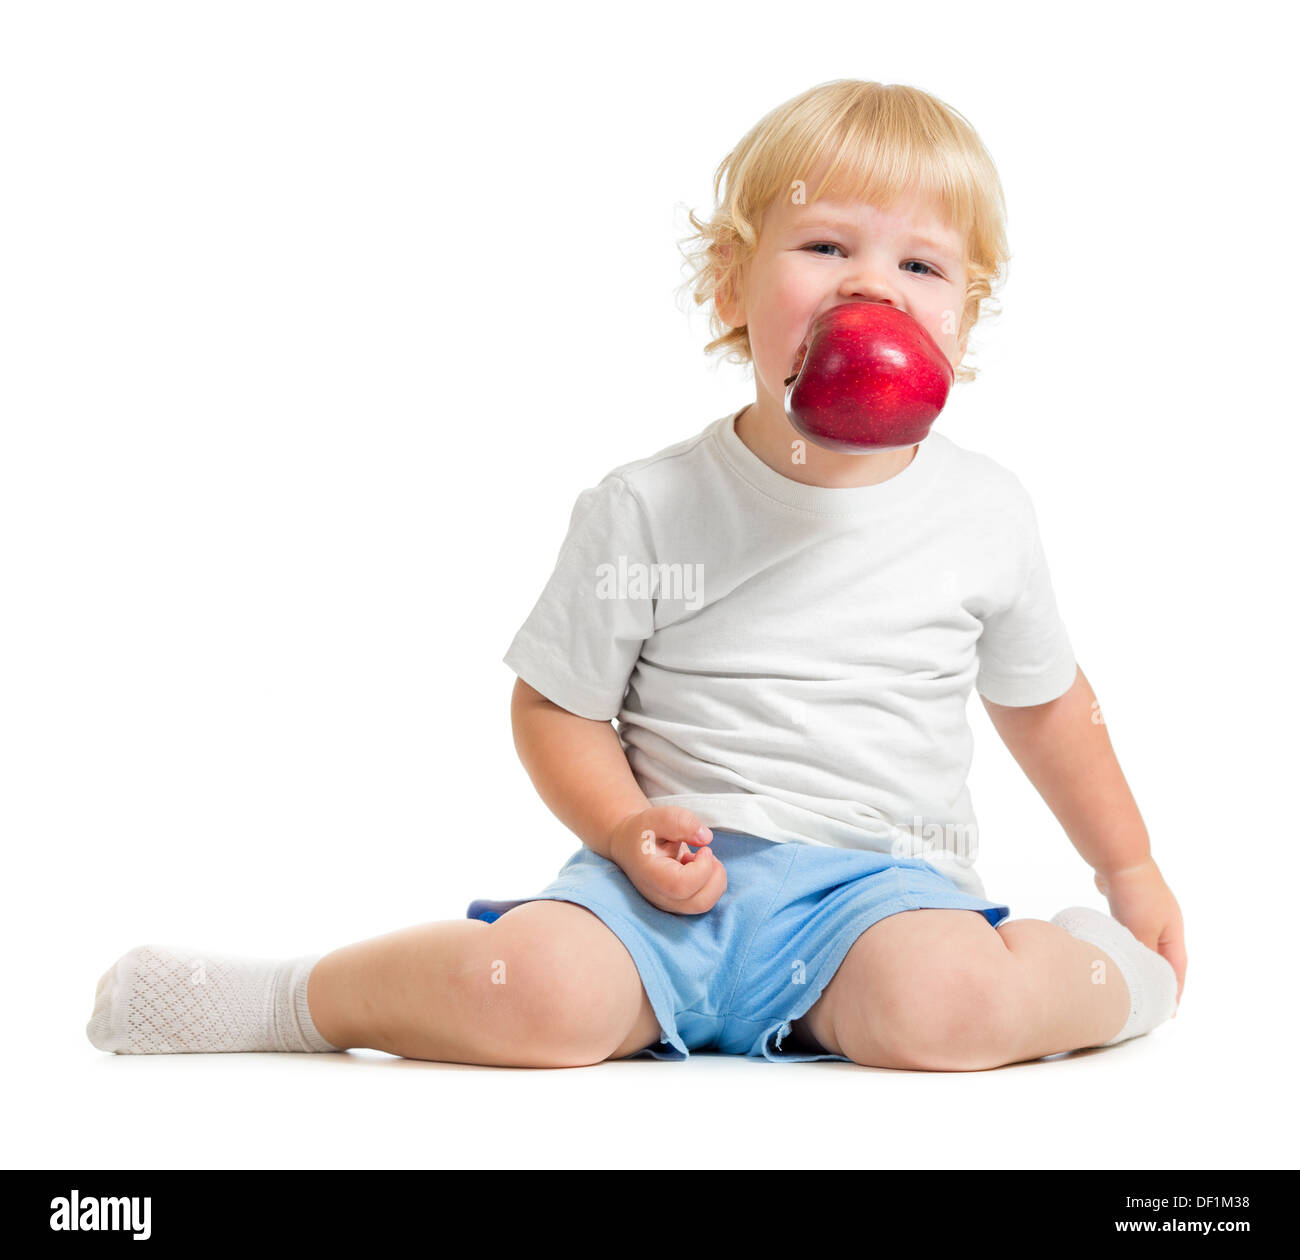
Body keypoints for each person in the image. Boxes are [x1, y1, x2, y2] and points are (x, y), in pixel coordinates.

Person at [86, 79, 1183, 1071]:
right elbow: (556, 707)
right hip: (661, 889)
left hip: (880, 895)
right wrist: (621, 829)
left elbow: (1048, 708)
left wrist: (1126, 872)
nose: (871, 290)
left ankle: (1109, 978)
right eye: (824, 248)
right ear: (729, 287)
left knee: (947, 1013)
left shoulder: (983, 512)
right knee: (534, 996)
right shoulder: (650, 508)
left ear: (963, 319)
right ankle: (289, 1001)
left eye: (919, 265)